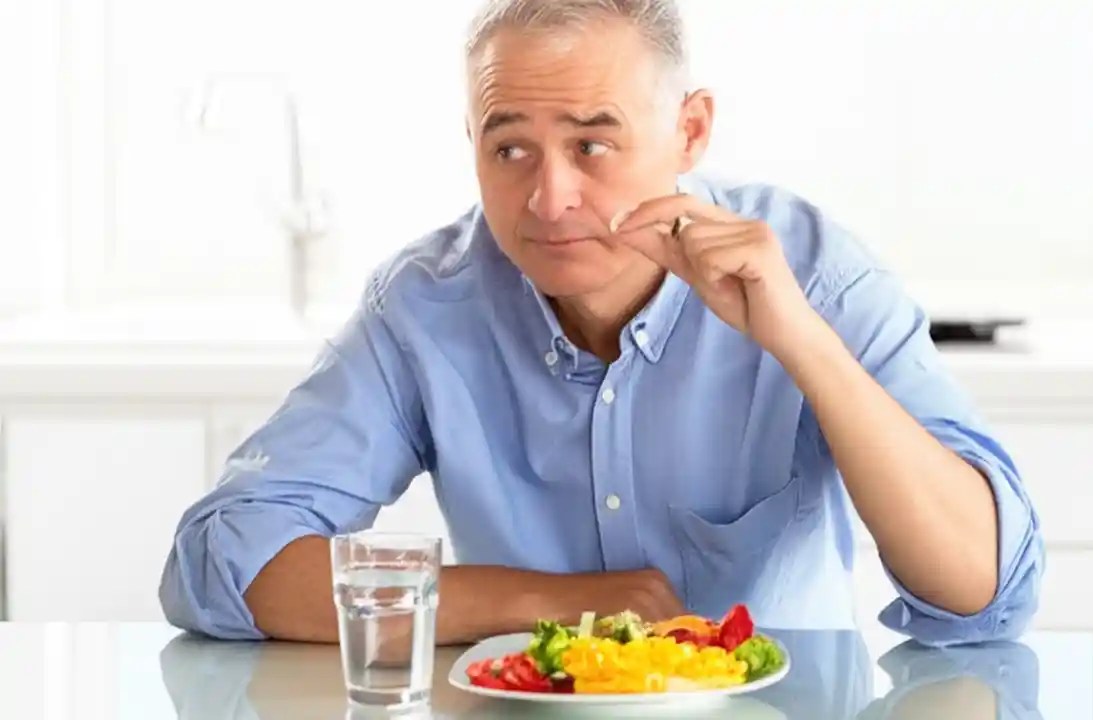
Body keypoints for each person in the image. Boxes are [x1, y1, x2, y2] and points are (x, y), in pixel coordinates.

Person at [160, 0, 1043, 648]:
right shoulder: (424, 309)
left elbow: (985, 591)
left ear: (689, 131)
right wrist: (546, 602)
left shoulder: (815, 274)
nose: (550, 199)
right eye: (510, 148)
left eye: (592, 144)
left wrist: (803, 344)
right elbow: (222, 563)